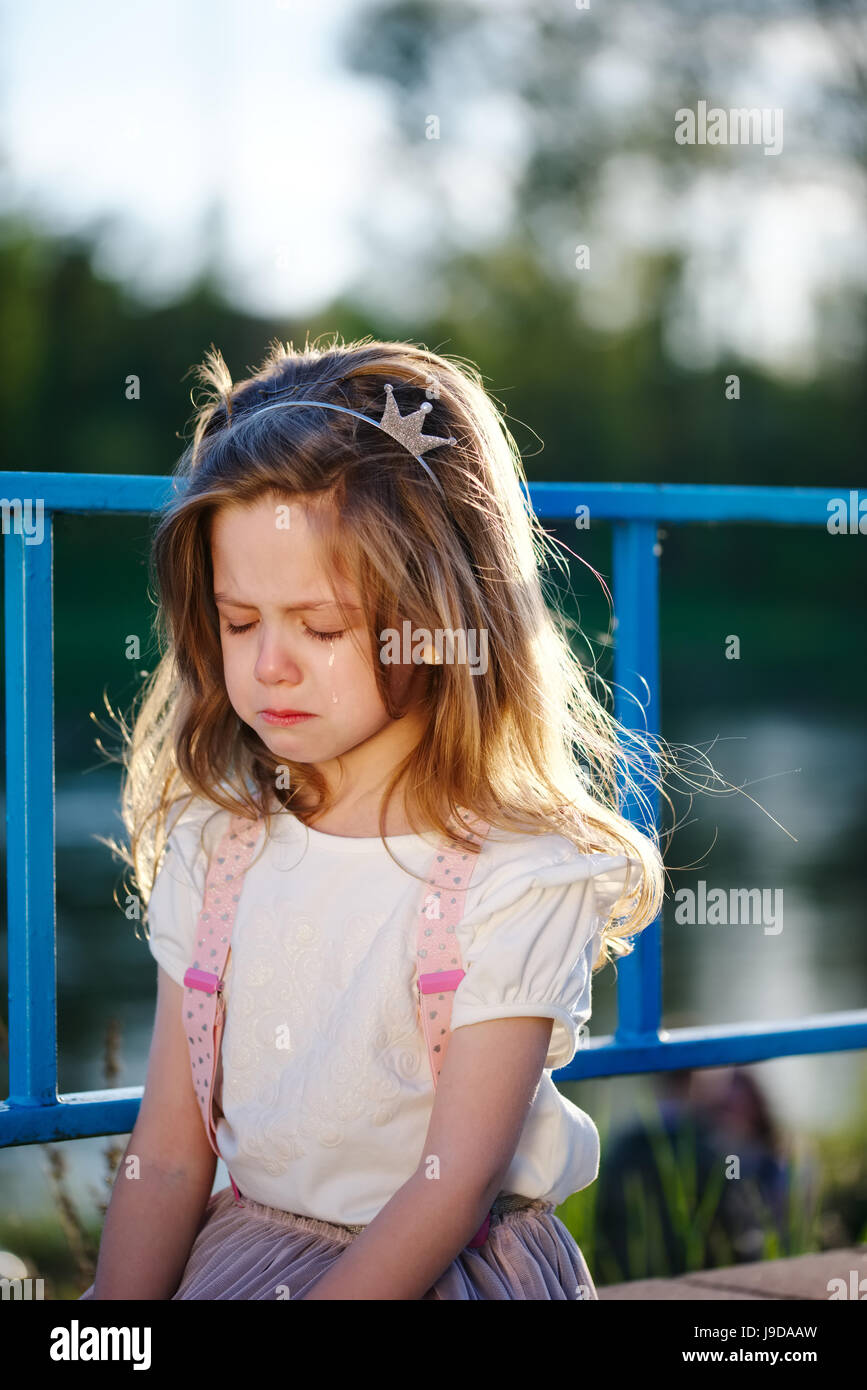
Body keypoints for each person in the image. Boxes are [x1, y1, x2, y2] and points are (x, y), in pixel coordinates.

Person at [79, 334, 666, 1300]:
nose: (269, 665)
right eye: (238, 621)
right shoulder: (216, 845)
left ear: (441, 617)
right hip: (249, 1258)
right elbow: (171, 1154)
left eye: (321, 627)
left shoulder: (517, 871)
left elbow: (452, 1186)